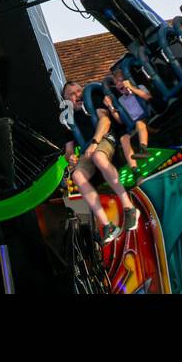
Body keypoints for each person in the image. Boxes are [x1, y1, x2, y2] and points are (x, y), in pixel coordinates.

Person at [63, 81, 138, 243]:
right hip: (86, 150)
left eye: (78, 91)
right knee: (77, 177)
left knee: (98, 156)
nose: (77, 95)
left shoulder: (92, 99)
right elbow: (68, 148)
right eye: (71, 94)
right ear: (66, 100)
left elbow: (105, 122)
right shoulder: (68, 118)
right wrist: (70, 157)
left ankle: (129, 207)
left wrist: (95, 142)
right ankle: (106, 225)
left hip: (104, 139)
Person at [108, 75, 155, 170]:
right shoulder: (120, 100)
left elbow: (148, 97)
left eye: (120, 80)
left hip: (147, 118)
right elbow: (120, 120)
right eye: (116, 83)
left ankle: (144, 149)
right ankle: (134, 168)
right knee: (123, 139)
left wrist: (132, 88)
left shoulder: (139, 87)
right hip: (133, 125)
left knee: (139, 123)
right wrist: (110, 106)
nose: (118, 84)